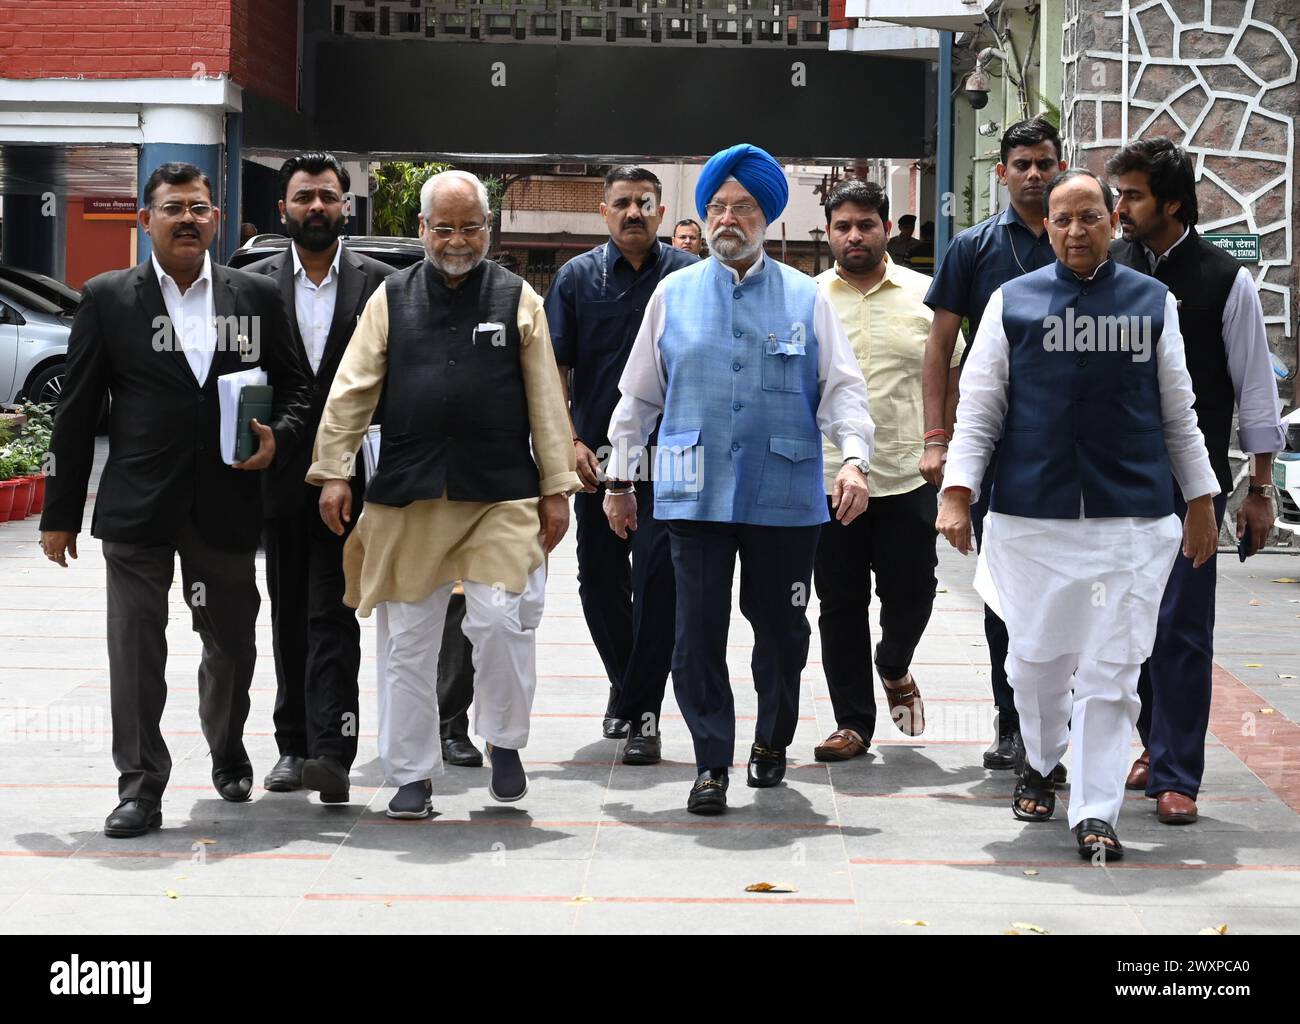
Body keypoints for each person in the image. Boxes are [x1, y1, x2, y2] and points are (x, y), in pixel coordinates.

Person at [937, 168, 1219, 860]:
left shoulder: (1153, 303)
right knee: (1034, 666)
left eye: (1089, 216)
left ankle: (1096, 812)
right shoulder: (1013, 303)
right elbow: (980, 410)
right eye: (1061, 219)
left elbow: (1178, 413)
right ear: (1048, 226)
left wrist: (1203, 501)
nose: (1074, 231)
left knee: (1112, 671)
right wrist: (956, 490)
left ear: (1110, 220)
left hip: (1131, 521)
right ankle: (1039, 757)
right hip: (1032, 520)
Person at [39, 161, 311, 838]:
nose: (187, 218)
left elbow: (300, 387)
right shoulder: (107, 298)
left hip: (226, 501)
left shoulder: (254, 296)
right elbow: (76, 411)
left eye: (198, 207)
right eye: (172, 208)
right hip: (137, 506)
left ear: (216, 220)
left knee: (231, 644)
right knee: (135, 649)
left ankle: (226, 745)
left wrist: (278, 437)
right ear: (146, 220)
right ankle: (139, 785)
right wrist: (59, 513)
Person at [606, 143, 873, 814]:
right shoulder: (672, 294)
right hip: (688, 485)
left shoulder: (806, 296)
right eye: (718, 207)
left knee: (781, 632)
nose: (728, 218)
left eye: (744, 207)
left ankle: (772, 740)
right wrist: (618, 478)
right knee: (695, 632)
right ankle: (709, 761)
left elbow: (843, 391)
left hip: (785, 489)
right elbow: (639, 398)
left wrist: (853, 459)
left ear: (768, 218)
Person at [307, 170, 580, 819]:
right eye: (446, 227)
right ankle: (410, 774)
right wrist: (335, 469)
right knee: (407, 640)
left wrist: (556, 488)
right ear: (423, 230)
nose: (458, 240)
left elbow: (547, 399)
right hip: (410, 493)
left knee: (499, 621)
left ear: (488, 229)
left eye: (471, 227)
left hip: (501, 495)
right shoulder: (390, 298)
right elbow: (352, 389)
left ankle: (505, 740)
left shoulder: (518, 298)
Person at [1108, 138, 1285, 825]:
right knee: (1128, 628)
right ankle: (1153, 742)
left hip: (1193, 492)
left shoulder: (1222, 280)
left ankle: (1177, 772)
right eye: (1118, 193)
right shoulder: (1109, 269)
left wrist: (1258, 489)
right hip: (1114, 485)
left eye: (1132, 195)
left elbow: (1255, 394)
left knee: (1181, 627)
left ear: (1172, 203)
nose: (1118, 208)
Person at [919, 116, 1067, 774]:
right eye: (1023, 164)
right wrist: (936, 439)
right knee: (1005, 591)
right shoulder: (974, 248)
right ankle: (1011, 721)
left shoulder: (1088, 240)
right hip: (1002, 448)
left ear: (1060, 166)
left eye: (1045, 162)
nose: (1035, 174)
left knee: (1073, 588)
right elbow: (940, 347)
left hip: (1079, 450)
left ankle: (1062, 728)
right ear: (1001, 173)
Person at [246, 153, 394, 804]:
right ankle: (291, 745)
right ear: (283, 209)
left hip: (356, 474)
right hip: (277, 474)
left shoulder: (384, 284)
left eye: (328, 197)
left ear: (345, 207)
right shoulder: (249, 283)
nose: (316, 207)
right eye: (303, 196)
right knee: (287, 612)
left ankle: (333, 746)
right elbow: (243, 374)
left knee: (335, 609)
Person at [544, 167, 697, 757]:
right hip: (598, 455)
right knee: (599, 579)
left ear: (661, 212)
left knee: (661, 581)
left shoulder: (690, 276)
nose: (634, 212)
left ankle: (644, 710)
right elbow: (555, 365)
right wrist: (569, 438)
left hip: (679, 455)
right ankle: (625, 682)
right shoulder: (577, 278)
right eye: (622, 203)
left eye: (645, 203)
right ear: (603, 213)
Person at [810, 180, 961, 762]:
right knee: (839, 604)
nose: (854, 235)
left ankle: (894, 664)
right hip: (828, 480)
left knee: (913, 594)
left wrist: (942, 444)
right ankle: (853, 722)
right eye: (843, 226)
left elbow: (951, 377)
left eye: (865, 225)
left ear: (886, 227)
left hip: (910, 474)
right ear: (827, 232)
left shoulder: (927, 296)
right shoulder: (809, 299)